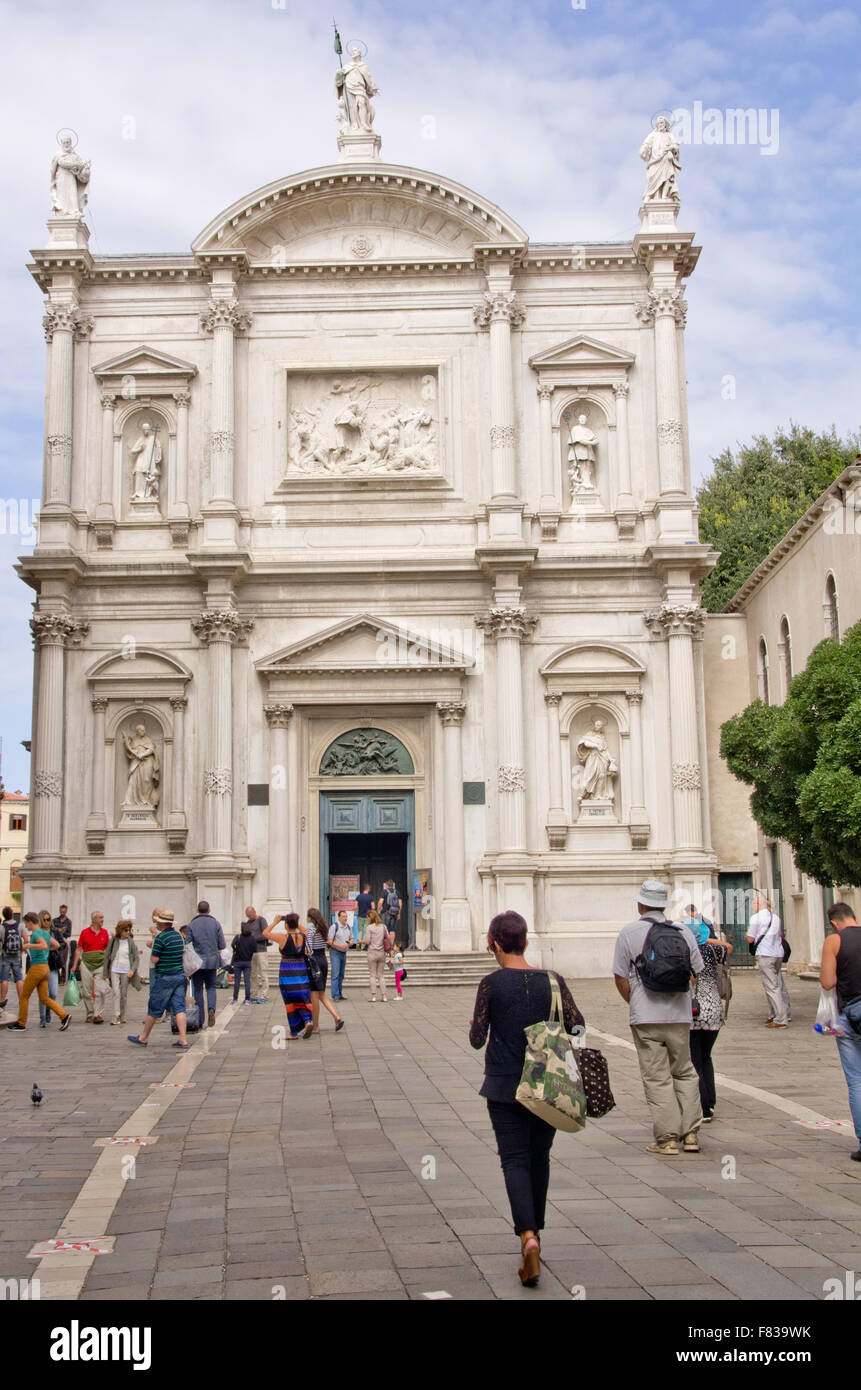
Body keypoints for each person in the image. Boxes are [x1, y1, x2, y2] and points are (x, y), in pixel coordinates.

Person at [469, 910, 584, 1288]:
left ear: (495, 943)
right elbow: (578, 1025)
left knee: (514, 1161)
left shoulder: (491, 984)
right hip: (546, 1087)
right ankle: (538, 1234)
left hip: (504, 1087)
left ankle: (527, 1236)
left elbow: (477, 1038)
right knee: (539, 1159)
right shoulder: (552, 980)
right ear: (525, 941)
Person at [613, 880, 704, 1156]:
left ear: (641, 904)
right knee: (685, 1071)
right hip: (679, 1014)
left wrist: (636, 1002)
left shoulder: (629, 933)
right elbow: (696, 971)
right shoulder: (682, 932)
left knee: (656, 1076)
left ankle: (666, 1139)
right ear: (664, 905)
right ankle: (690, 1135)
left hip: (646, 1016)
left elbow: (619, 976)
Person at [821, 903, 861, 1162]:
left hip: (851, 1012)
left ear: (835, 922)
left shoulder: (834, 941)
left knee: (857, 1080)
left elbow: (827, 982)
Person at [690, 927, 733, 1122]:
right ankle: (712, 1102)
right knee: (706, 1057)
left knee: (695, 1059)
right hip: (714, 1010)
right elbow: (728, 946)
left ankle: (704, 1106)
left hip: (694, 1010)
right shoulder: (714, 950)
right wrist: (707, 940)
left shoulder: (686, 951)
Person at [128, 909, 188, 1048]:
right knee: (179, 1008)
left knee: (154, 1008)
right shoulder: (179, 936)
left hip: (165, 977)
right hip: (179, 975)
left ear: (161, 923)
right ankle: (183, 1039)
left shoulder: (161, 938)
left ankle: (143, 1037)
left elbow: (154, 959)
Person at [3, 911, 71, 1031]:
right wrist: (44, 952)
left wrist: (28, 946)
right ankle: (64, 1015)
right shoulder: (44, 932)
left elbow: (44, 945)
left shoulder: (35, 934)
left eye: (26, 924)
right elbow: (56, 945)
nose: (26, 927)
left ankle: (21, 1023)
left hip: (37, 968)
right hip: (45, 968)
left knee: (24, 996)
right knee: (44, 998)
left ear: (30, 922)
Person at [746, 893, 791, 1028]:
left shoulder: (756, 918)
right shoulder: (776, 917)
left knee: (772, 986)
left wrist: (747, 934)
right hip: (778, 954)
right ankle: (775, 1014)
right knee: (775, 984)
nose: (753, 906)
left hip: (765, 954)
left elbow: (750, 939)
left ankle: (781, 1019)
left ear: (759, 905)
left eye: (754, 904)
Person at [265, 913, 314, 1038]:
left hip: (287, 972)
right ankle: (307, 1020)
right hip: (301, 971)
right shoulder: (303, 935)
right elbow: (304, 930)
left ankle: (294, 1032)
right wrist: (295, 923)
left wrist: (276, 921)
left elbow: (265, 933)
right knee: (303, 998)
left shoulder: (282, 938)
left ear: (286, 925)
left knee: (290, 1001)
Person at [186, 900, 226, 1029]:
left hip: (197, 962)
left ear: (198, 910)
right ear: (209, 910)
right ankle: (211, 1009)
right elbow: (222, 945)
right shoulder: (215, 924)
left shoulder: (191, 925)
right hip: (212, 960)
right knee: (211, 987)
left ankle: (200, 1019)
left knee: (198, 989)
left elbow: (187, 944)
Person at [305, 908, 344, 1032]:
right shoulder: (323, 928)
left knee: (314, 995)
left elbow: (309, 947)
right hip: (323, 960)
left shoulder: (311, 929)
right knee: (321, 993)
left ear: (310, 917)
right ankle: (336, 1017)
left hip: (314, 962)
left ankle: (315, 1026)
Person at [72, 911, 111, 1023]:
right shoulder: (85, 932)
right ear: (94, 919)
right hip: (87, 963)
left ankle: (97, 1014)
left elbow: (107, 951)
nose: (102, 919)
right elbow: (79, 949)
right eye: (100, 917)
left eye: (102, 917)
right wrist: (75, 965)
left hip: (100, 964)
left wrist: (108, 967)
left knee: (100, 991)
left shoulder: (104, 932)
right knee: (86, 990)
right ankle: (90, 1013)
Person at [103, 920, 141, 1025]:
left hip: (126, 970)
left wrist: (132, 970)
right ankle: (116, 1015)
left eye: (129, 930)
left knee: (124, 993)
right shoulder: (114, 940)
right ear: (120, 931)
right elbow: (107, 956)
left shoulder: (130, 941)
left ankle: (123, 1014)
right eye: (126, 930)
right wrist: (105, 972)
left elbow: (136, 958)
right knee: (116, 992)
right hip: (114, 969)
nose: (128, 932)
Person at [36, 910, 61, 1028]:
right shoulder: (38, 933)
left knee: (53, 993)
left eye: (49, 919)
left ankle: (48, 1009)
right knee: (42, 993)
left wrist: (50, 948)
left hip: (52, 965)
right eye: (45, 920)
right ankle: (42, 1019)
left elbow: (62, 944)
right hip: (40, 965)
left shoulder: (54, 931)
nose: (47, 922)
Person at [0, 906, 25, 1014]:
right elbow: (26, 939)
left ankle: (2, 1000)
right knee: (18, 978)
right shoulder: (20, 925)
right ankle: (21, 1000)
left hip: (5, 955)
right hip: (17, 955)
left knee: (4, 978)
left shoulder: (1, 927)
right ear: (12, 913)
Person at [243, 905, 269, 1003]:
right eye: (248, 916)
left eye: (250, 915)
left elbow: (266, 934)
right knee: (253, 974)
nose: (249, 918)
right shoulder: (248, 923)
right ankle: (254, 993)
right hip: (251, 952)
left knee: (263, 972)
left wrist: (253, 939)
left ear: (254, 912)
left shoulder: (261, 920)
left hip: (261, 950)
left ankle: (263, 995)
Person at [365, 908, 391, 1003]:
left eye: (367, 917)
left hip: (372, 952)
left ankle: (373, 996)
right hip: (382, 953)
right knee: (381, 975)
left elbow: (367, 941)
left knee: (372, 975)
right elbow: (387, 938)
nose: (367, 919)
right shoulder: (383, 927)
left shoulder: (369, 928)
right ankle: (384, 996)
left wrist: (362, 942)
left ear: (370, 918)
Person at [229, 922, 256, 1005]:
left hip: (237, 961)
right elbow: (254, 949)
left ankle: (235, 999)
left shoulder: (238, 937)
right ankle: (247, 999)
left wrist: (236, 950)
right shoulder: (252, 938)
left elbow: (232, 945)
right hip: (247, 961)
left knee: (237, 981)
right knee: (247, 981)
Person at [328, 910, 352, 1001]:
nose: (345, 918)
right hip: (335, 952)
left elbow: (351, 938)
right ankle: (335, 995)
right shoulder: (334, 927)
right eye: (343, 916)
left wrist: (351, 942)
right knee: (335, 974)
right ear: (338, 917)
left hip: (344, 952)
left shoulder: (348, 927)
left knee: (341, 974)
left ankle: (339, 993)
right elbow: (329, 941)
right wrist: (339, 945)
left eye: (346, 916)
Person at [378, 879, 403, 948]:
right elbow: (400, 904)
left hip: (386, 912)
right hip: (394, 913)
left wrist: (378, 910)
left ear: (386, 885)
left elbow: (380, 902)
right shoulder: (397, 892)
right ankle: (391, 945)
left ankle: (385, 946)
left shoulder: (384, 892)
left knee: (384, 929)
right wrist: (399, 913)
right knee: (392, 929)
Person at [53, 904, 73, 982]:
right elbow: (53, 930)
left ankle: (63, 978)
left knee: (64, 960)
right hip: (56, 940)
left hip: (64, 940)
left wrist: (62, 932)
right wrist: (59, 930)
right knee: (55, 959)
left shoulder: (68, 922)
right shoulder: (55, 920)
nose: (62, 913)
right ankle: (57, 977)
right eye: (61, 911)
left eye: (63, 912)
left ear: (66, 911)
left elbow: (69, 934)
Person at [354, 883, 374, 949]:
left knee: (360, 930)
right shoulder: (370, 897)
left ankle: (358, 943)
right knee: (365, 930)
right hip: (367, 916)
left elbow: (355, 906)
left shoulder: (358, 897)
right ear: (368, 889)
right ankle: (362, 946)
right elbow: (373, 907)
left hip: (360, 915)